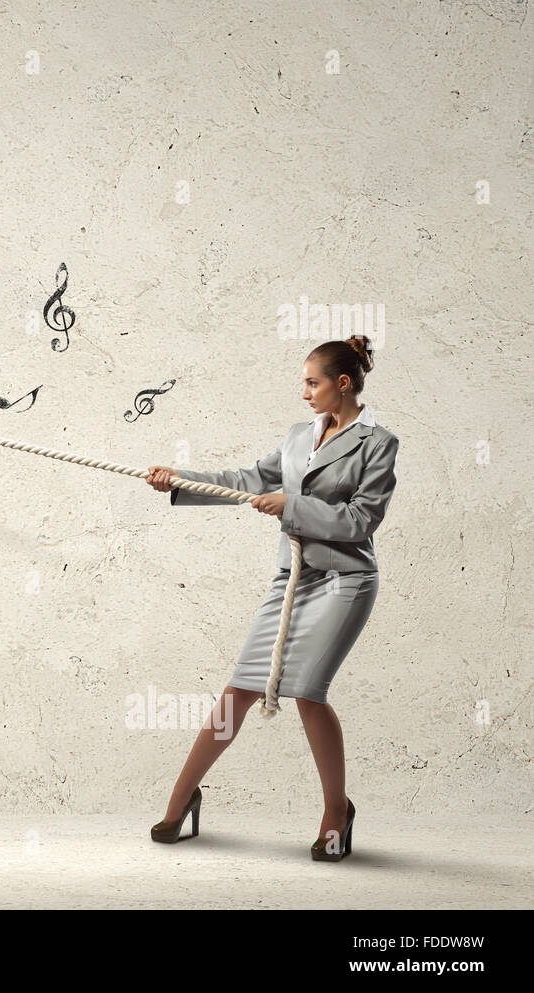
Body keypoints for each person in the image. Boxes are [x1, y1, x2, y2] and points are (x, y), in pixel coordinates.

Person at [143, 335, 398, 860]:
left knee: (307, 691)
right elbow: (246, 480)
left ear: (342, 384)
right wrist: (178, 480)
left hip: (344, 581)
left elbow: (361, 520)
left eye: (312, 383)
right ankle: (181, 799)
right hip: (292, 578)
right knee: (239, 690)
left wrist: (292, 505)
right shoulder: (298, 436)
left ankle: (336, 812)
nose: (304, 393)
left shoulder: (379, 444)